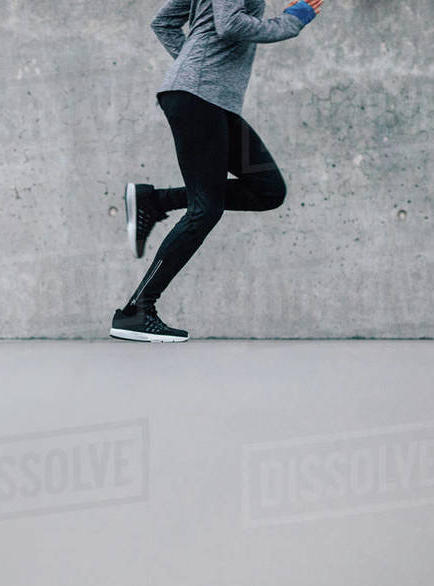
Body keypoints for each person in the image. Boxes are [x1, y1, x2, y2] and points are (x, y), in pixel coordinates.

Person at [110, 0, 324, 342]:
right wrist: (292, 20)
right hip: (199, 97)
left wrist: (193, 65)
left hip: (210, 98)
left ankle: (155, 201)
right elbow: (229, 24)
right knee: (205, 209)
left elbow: (163, 23)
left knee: (267, 189)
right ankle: (136, 311)